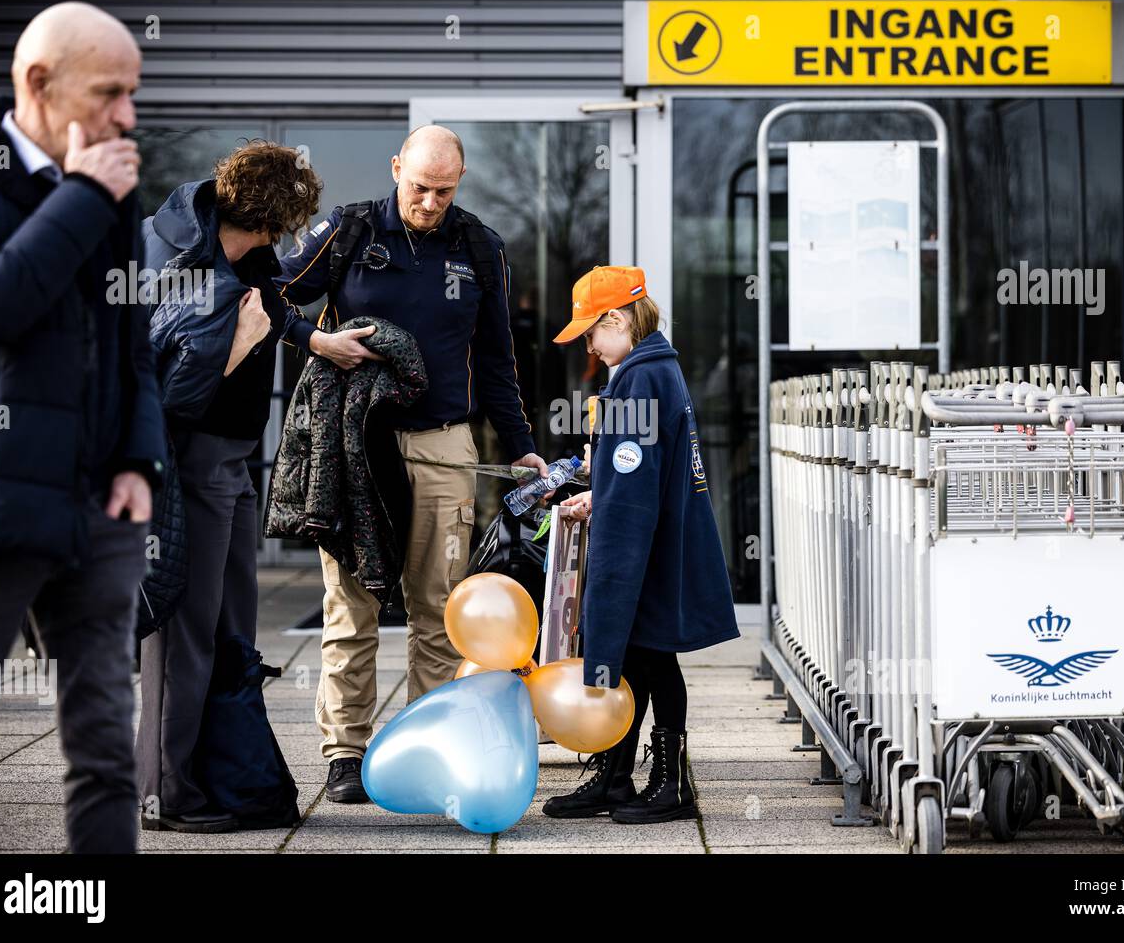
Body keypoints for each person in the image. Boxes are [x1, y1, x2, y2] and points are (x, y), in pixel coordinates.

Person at [274, 125, 547, 803]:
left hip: (444, 443)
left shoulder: (480, 246)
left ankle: (428, 747)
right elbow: (271, 295)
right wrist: (317, 340)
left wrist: (520, 446)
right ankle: (345, 752)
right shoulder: (349, 229)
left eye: (444, 190)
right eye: (419, 186)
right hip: (352, 447)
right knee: (351, 605)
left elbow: (496, 361)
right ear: (396, 168)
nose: (429, 201)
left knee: (437, 609)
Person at [0, 2, 164, 853]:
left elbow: (132, 345)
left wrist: (139, 461)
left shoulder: (106, 187)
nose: (127, 115)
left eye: (134, 92)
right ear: (38, 84)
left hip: (98, 516)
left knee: (107, 754)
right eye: (110, 92)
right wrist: (82, 194)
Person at [135, 142, 321, 832]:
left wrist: (312, 338)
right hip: (193, 462)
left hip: (237, 461)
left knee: (229, 632)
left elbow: (273, 307)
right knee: (184, 633)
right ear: (272, 218)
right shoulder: (184, 260)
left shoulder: (245, 259)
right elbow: (170, 392)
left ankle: (218, 774)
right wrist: (240, 346)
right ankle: (166, 795)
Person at [542, 266, 739, 824]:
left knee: (651, 658)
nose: (587, 344)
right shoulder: (651, 371)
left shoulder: (640, 377)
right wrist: (597, 496)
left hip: (644, 544)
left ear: (618, 318)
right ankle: (617, 775)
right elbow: (634, 470)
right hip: (654, 533)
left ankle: (669, 783)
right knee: (631, 658)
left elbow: (633, 476)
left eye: (590, 331)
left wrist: (609, 523)